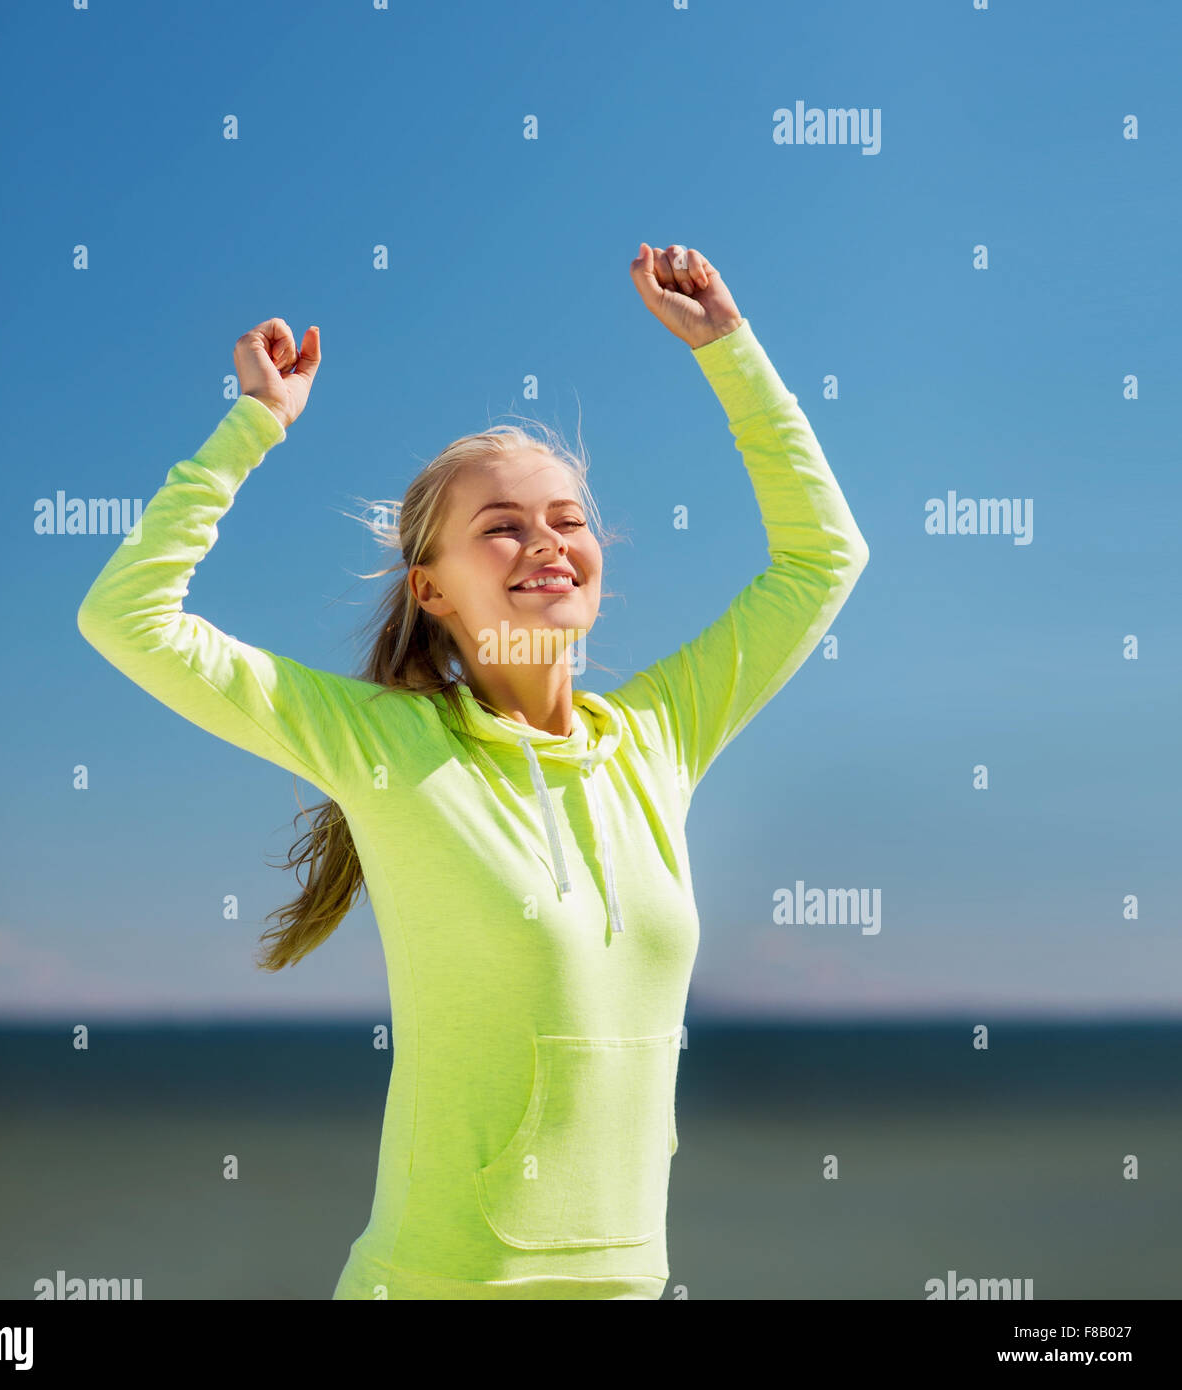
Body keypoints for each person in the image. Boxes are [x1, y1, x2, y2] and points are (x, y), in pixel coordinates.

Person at [76, 243, 870, 1299]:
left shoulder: (658, 738)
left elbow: (826, 556)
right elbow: (126, 618)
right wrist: (253, 426)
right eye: (498, 528)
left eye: (567, 520)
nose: (544, 541)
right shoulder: (387, 745)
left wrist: (728, 348)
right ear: (432, 589)